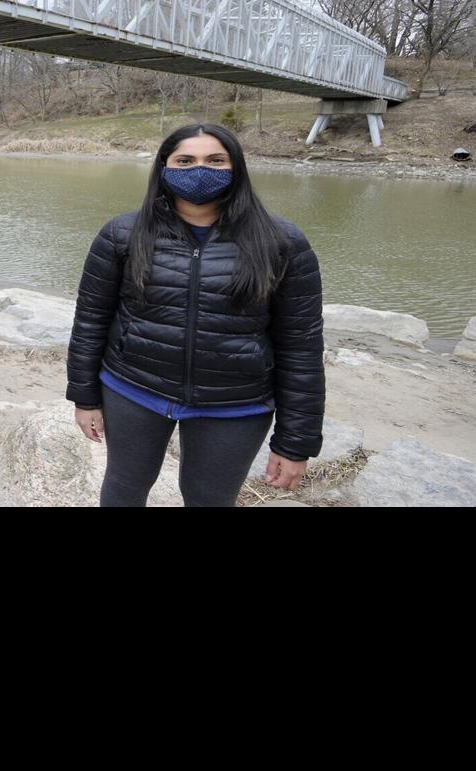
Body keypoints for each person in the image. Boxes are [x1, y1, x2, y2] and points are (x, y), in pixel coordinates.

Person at [66, 123, 325, 506]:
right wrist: (84, 397)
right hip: (134, 389)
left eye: (215, 161)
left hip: (236, 404)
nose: (199, 171)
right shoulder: (122, 234)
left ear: (236, 167)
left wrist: (295, 441)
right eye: (185, 161)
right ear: (164, 167)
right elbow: (90, 321)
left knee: (209, 499)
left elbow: (301, 348)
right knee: (124, 488)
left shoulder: (282, 242)